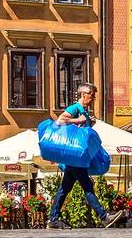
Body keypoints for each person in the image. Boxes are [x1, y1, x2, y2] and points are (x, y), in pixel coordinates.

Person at [48, 83, 123, 230]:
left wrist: (89, 122)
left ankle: (53, 219)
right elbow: (60, 121)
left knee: (64, 189)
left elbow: (81, 131)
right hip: (75, 156)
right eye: (92, 95)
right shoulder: (74, 108)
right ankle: (104, 217)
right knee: (87, 186)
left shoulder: (84, 111)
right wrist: (80, 120)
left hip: (77, 156)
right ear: (84, 94)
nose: (94, 98)